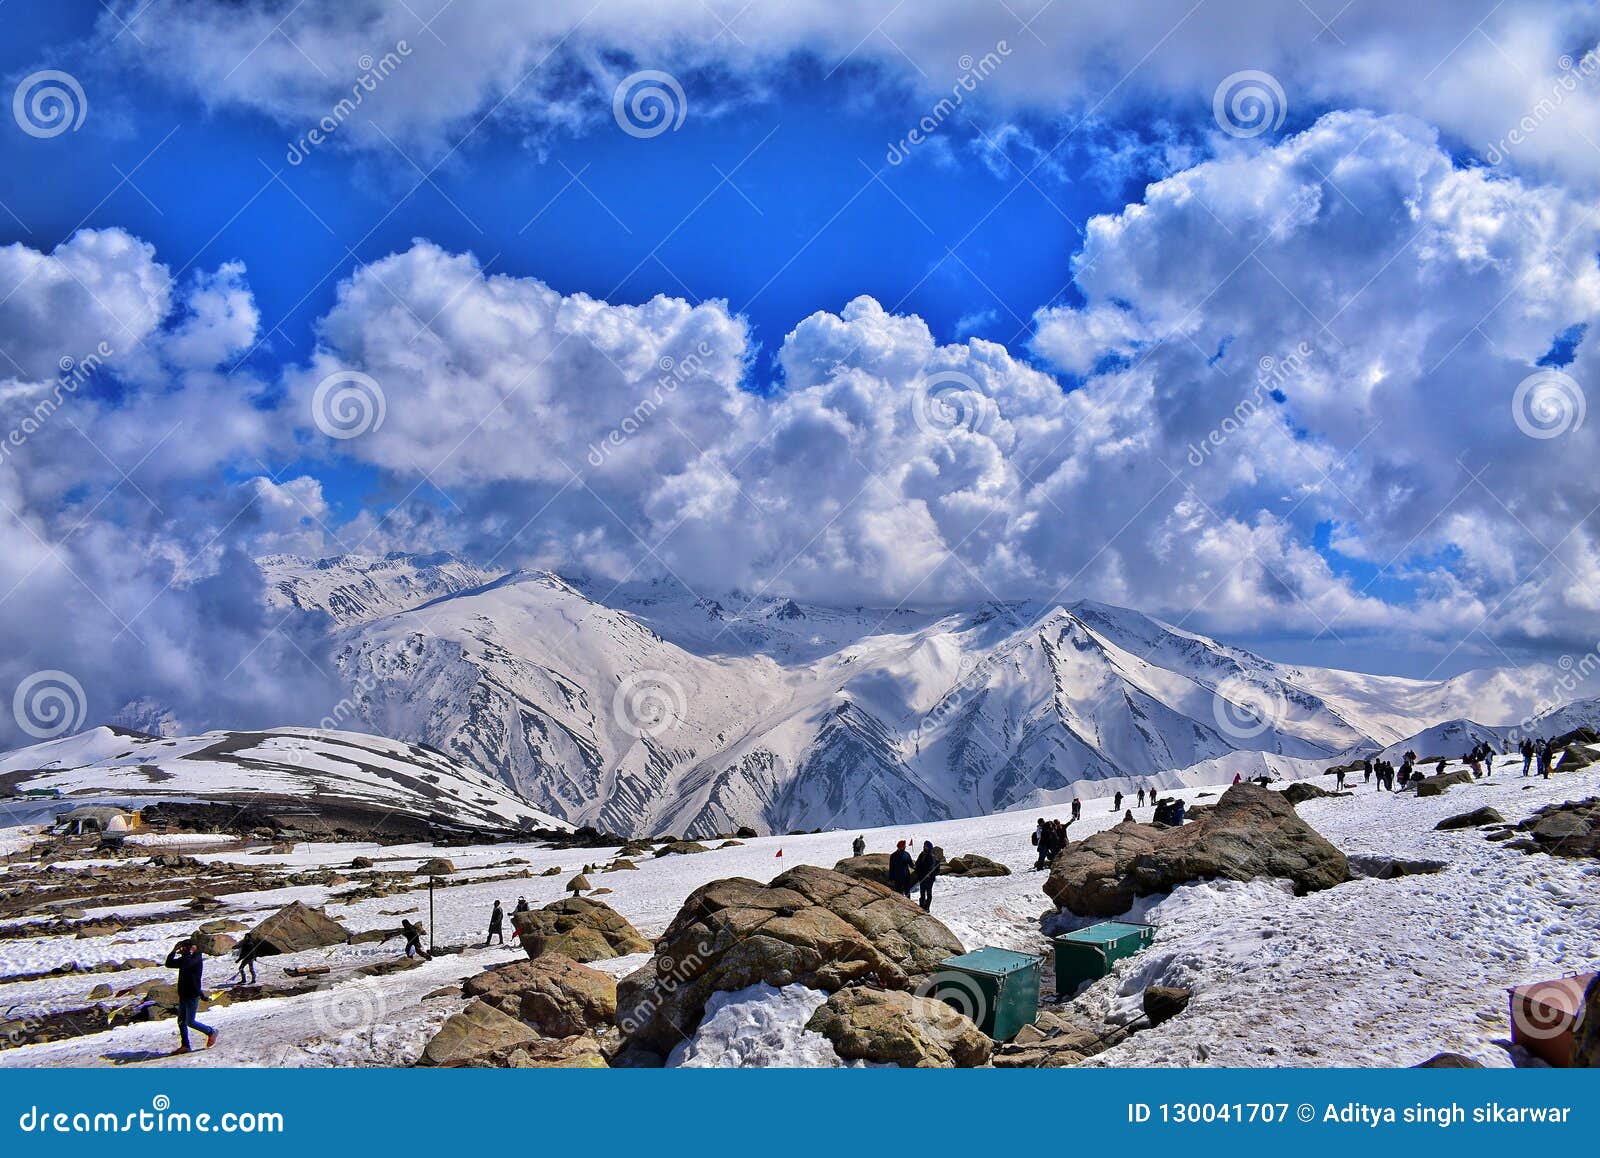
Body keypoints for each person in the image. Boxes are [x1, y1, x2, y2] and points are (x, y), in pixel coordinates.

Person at [164, 939, 217, 1053]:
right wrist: (173, 951)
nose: (182, 949)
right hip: (183, 993)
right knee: (181, 1022)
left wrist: (189, 952)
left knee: (190, 1021)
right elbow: (168, 964)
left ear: (192, 947)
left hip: (193, 994)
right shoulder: (186, 958)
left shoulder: (196, 957)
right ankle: (185, 1046)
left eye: (184, 947)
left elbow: (188, 964)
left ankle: (211, 1032)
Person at [913, 840, 939, 911]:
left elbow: (932, 867)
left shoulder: (932, 856)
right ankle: (921, 906)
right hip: (922, 877)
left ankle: (927, 907)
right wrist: (916, 869)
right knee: (922, 893)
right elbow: (918, 863)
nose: (925, 847)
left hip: (929, 879)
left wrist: (929, 874)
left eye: (926, 846)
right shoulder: (922, 854)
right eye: (924, 846)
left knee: (929, 893)